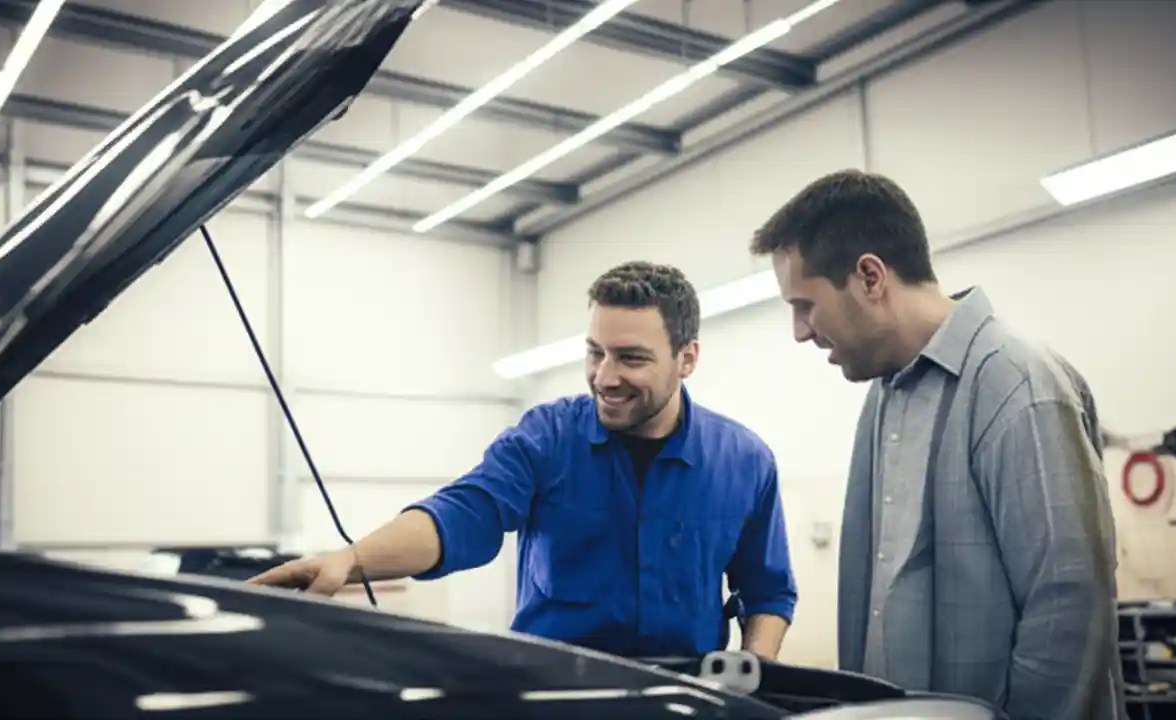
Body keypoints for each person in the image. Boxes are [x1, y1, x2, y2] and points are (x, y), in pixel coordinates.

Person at [250, 261, 798, 659]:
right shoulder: (548, 437)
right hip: (556, 693)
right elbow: (466, 512)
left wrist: (754, 665)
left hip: (682, 697)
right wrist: (353, 559)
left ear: (687, 359)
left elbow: (767, 589)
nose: (605, 377)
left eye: (631, 358)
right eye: (595, 352)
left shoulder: (745, 461)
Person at [748, 168, 1125, 719]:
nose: (801, 331)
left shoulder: (1016, 382)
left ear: (870, 277)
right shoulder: (886, 394)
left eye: (805, 304)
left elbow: (1068, 610)